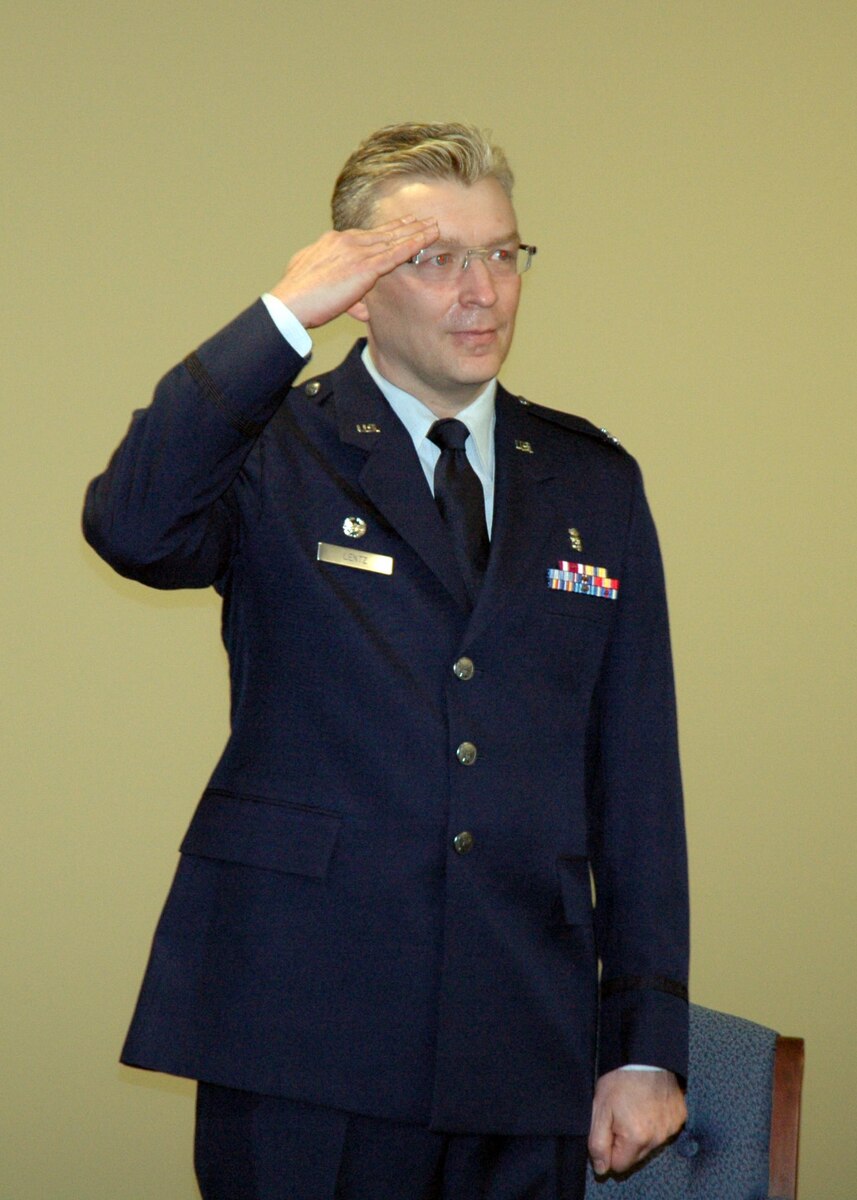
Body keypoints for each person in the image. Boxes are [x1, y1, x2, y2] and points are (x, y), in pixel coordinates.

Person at [84, 122, 689, 1200]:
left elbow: (636, 776)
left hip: (523, 1031)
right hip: (300, 1027)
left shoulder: (592, 480)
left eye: (500, 253)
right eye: (435, 258)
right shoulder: (271, 449)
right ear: (357, 285)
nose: (481, 291)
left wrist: (642, 1044)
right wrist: (281, 317)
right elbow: (132, 526)